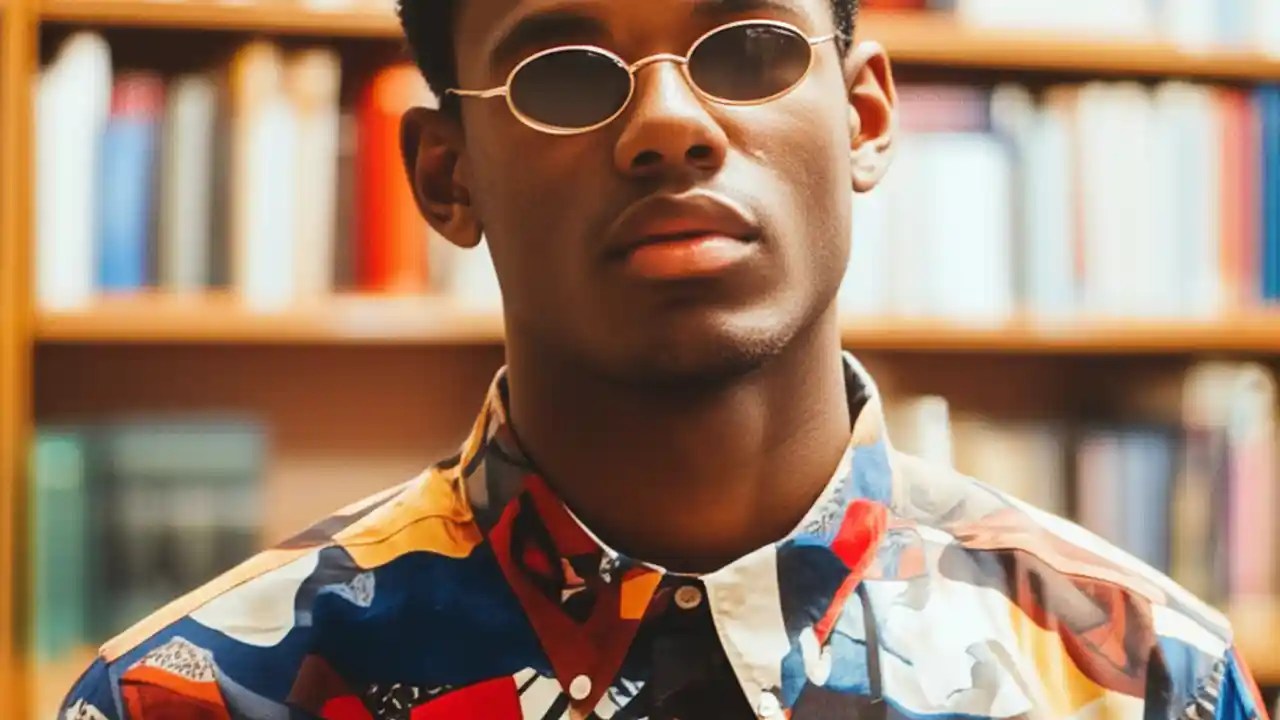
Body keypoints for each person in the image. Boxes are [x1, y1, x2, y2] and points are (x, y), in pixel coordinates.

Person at [60, 0, 1269, 717]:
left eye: (745, 49)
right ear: (445, 174)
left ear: (864, 116)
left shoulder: (1142, 679)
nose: (668, 123)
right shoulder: (199, 699)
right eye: (564, 75)